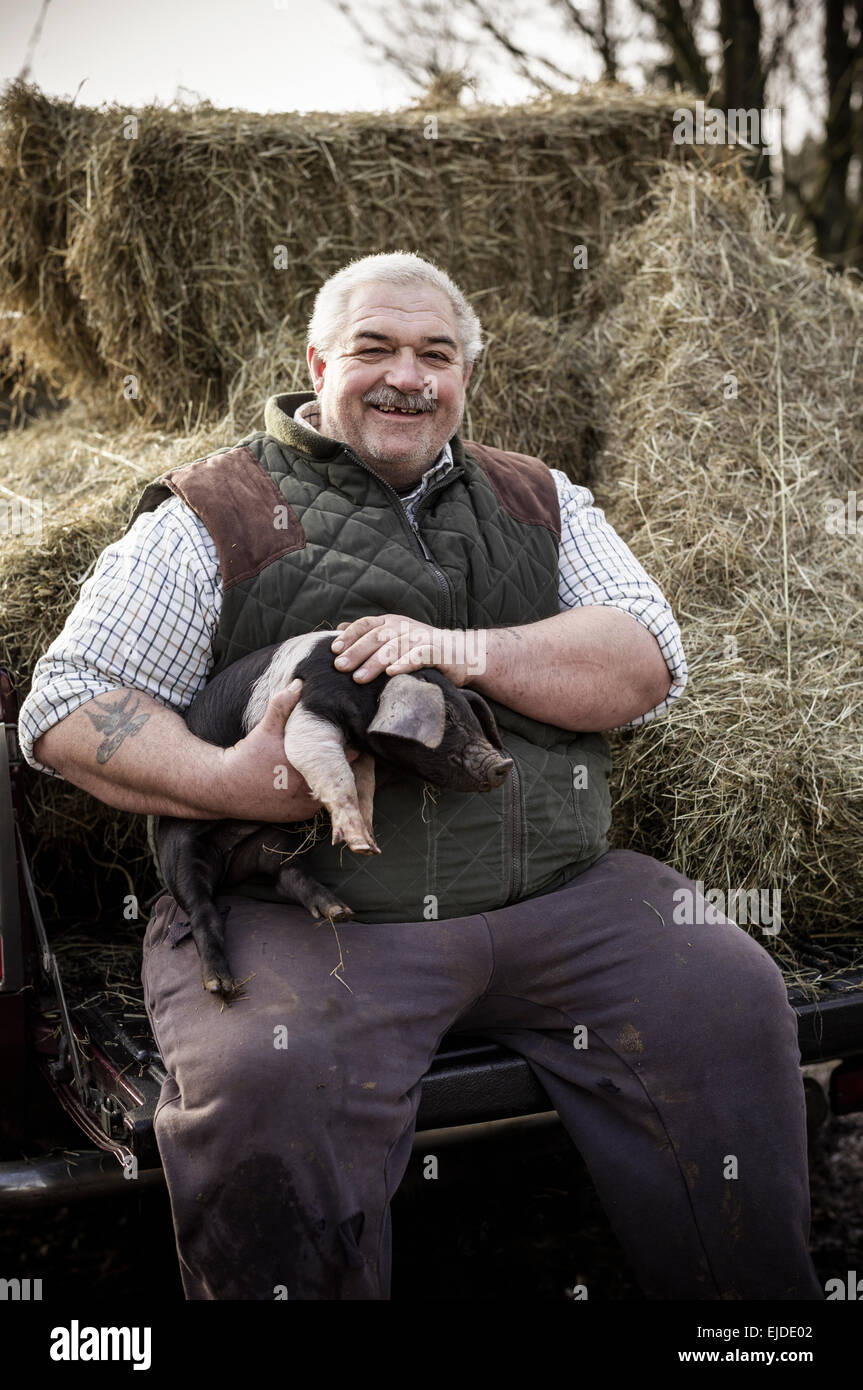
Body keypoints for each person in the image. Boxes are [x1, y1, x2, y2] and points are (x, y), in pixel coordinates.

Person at [18, 251, 823, 1301]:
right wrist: (228, 779)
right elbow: (67, 703)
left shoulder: (539, 499)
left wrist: (460, 649)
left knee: (728, 998)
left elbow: (644, 659)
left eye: (435, 355)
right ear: (317, 364)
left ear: (465, 377)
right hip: (310, 920)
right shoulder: (212, 514)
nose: (407, 377)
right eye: (375, 349)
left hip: (560, 897)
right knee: (266, 1078)